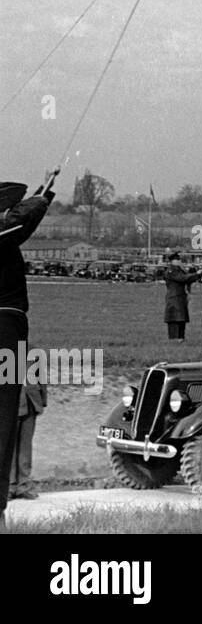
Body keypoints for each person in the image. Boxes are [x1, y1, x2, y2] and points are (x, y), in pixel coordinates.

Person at [0, 168, 56, 526]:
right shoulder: (3, 231)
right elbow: (21, 221)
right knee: (5, 413)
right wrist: (40, 198)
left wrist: (44, 193)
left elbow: (23, 222)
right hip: (5, 327)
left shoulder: (7, 232)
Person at [9, 376, 46, 500]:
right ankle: (9, 486)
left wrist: (43, 400)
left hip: (31, 401)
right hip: (9, 403)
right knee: (9, 446)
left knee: (26, 445)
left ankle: (23, 485)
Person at [163, 252, 201, 342]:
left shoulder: (180, 269)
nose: (180, 261)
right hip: (174, 297)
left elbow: (186, 277)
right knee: (175, 318)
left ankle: (181, 337)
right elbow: (182, 278)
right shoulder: (171, 271)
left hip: (181, 296)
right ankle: (175, 338)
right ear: (173, 261)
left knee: (181, 318)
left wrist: (196, 274)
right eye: (178, 259)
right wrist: (197, 275)